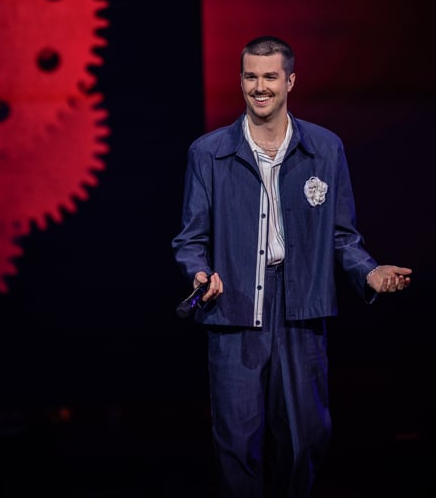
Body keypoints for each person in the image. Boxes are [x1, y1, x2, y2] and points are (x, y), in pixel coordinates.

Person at [171, 35, 412, 497]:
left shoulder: (324, 148)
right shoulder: (209, 153)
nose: (259, 87)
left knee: (306, 439)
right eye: (250, 77)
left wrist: (370, 272)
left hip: (301, 307)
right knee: (238, 446)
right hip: (235, 308)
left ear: (290, 81)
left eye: (269, 77)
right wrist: (199, 273)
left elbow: (343, 235)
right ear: (240, 80)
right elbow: (190, 238)